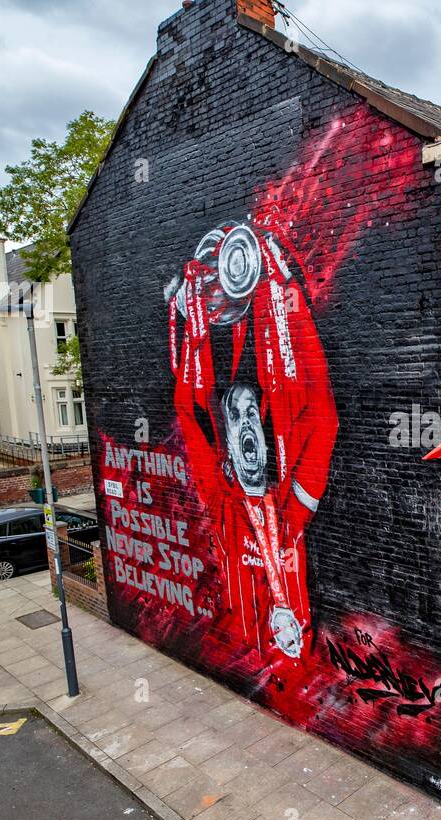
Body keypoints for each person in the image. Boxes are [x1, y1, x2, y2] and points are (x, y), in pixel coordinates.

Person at [168, 218, 338, 659]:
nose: (245, 426)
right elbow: (189, 410)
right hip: (247, 658)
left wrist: (280, 293)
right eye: (234, 418)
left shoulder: (291, 511)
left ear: (266, 436)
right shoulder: (220, 498)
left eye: (252, 417)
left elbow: (322, 415)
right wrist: (195, 330)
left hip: (295, 670)